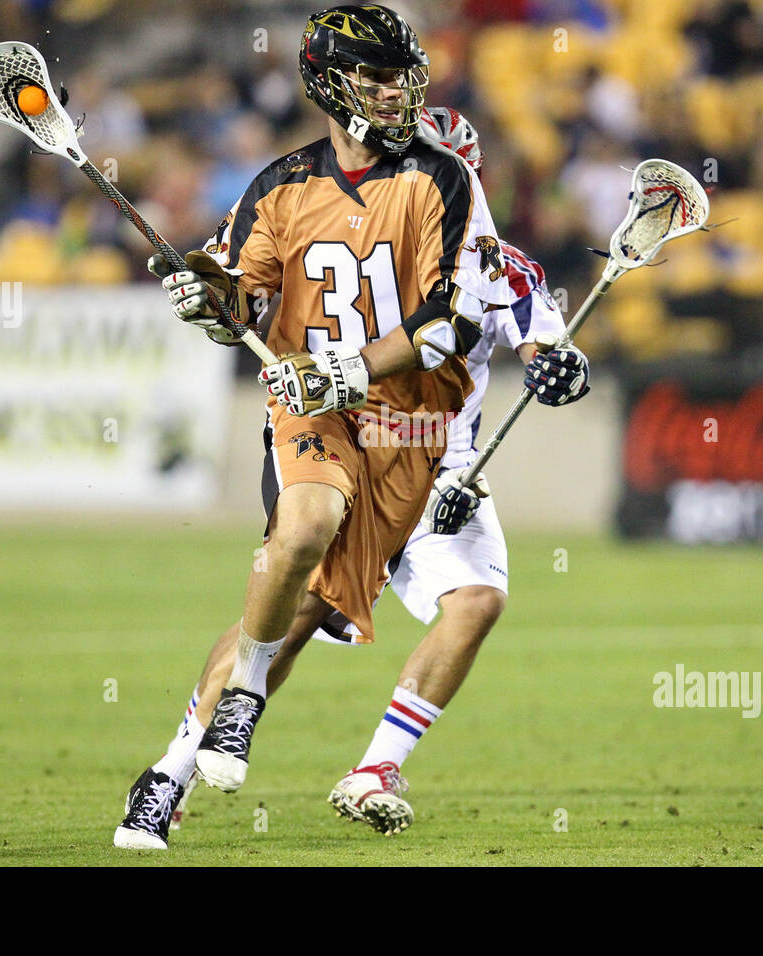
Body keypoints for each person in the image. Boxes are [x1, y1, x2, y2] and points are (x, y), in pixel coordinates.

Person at [113, 4, 517, 850]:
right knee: (302, 544)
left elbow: (453, 324)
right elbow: (238, 292)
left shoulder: (444, 183)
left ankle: (238, 751)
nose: (398, 92)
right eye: (376, 76)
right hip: (318, 416)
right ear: (332, 86)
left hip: (415, 444)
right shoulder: (280, 185)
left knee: (348, 610)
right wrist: (208, 298)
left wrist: (349, 366)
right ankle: (180, 763)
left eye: (404, 75)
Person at [166, 105, 591, 836]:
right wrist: (217, 296)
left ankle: (374, 770)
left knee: (477, 600)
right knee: (292, 618)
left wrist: (564, 370)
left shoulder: (503, 268)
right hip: (345, 447)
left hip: (439, 464)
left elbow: (545, 352)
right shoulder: (345, 229)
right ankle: (171, 773)